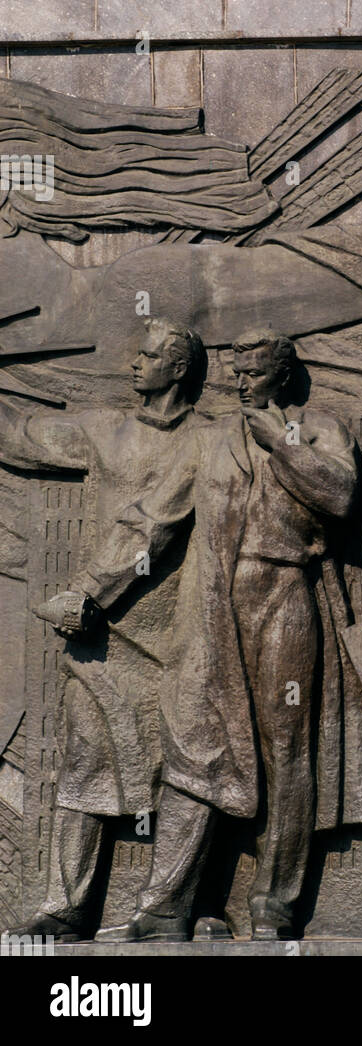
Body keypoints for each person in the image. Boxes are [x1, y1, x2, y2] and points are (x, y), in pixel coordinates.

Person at [76, 328, 362, 941]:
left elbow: (345, 498)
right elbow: (152, 523)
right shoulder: (210, 438)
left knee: (287, 749)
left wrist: (284, 446)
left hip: (285, 597)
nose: (242, 383)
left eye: (256, 372)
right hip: (212, 608)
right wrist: (90, 591)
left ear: (284, 376)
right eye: (236, 373)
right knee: (193, 744)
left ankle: (274, 901)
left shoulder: (318, 427)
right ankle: (166, 909)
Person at [0, 318, 206, 942]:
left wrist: (90, 591)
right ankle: (67, 904)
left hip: (172, 633)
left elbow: (155, 526)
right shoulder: (104, 429)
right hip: (99, 642)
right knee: (85, 757)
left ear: (178, 368)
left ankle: (165, 908)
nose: (133, 364)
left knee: (180, 768)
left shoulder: (205, 441)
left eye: (148, 355)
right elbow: (20, 438)